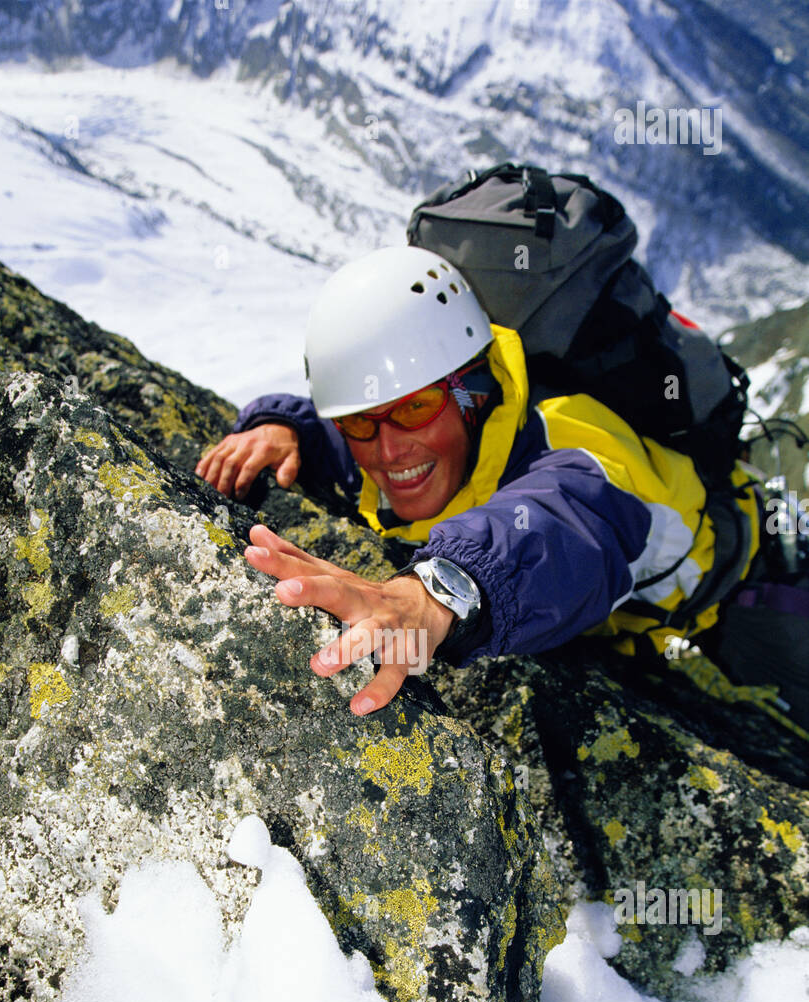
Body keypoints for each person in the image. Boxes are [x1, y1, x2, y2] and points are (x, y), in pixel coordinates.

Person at [195, 246, 808, 728]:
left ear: (472, 391)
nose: (386, 451)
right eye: (358, 420)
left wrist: (434, 596)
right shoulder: (417, 435)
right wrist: (287, 425)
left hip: (744, 594)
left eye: (415, 409)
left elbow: (563, 520)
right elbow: (359, 444)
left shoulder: (578, 444)